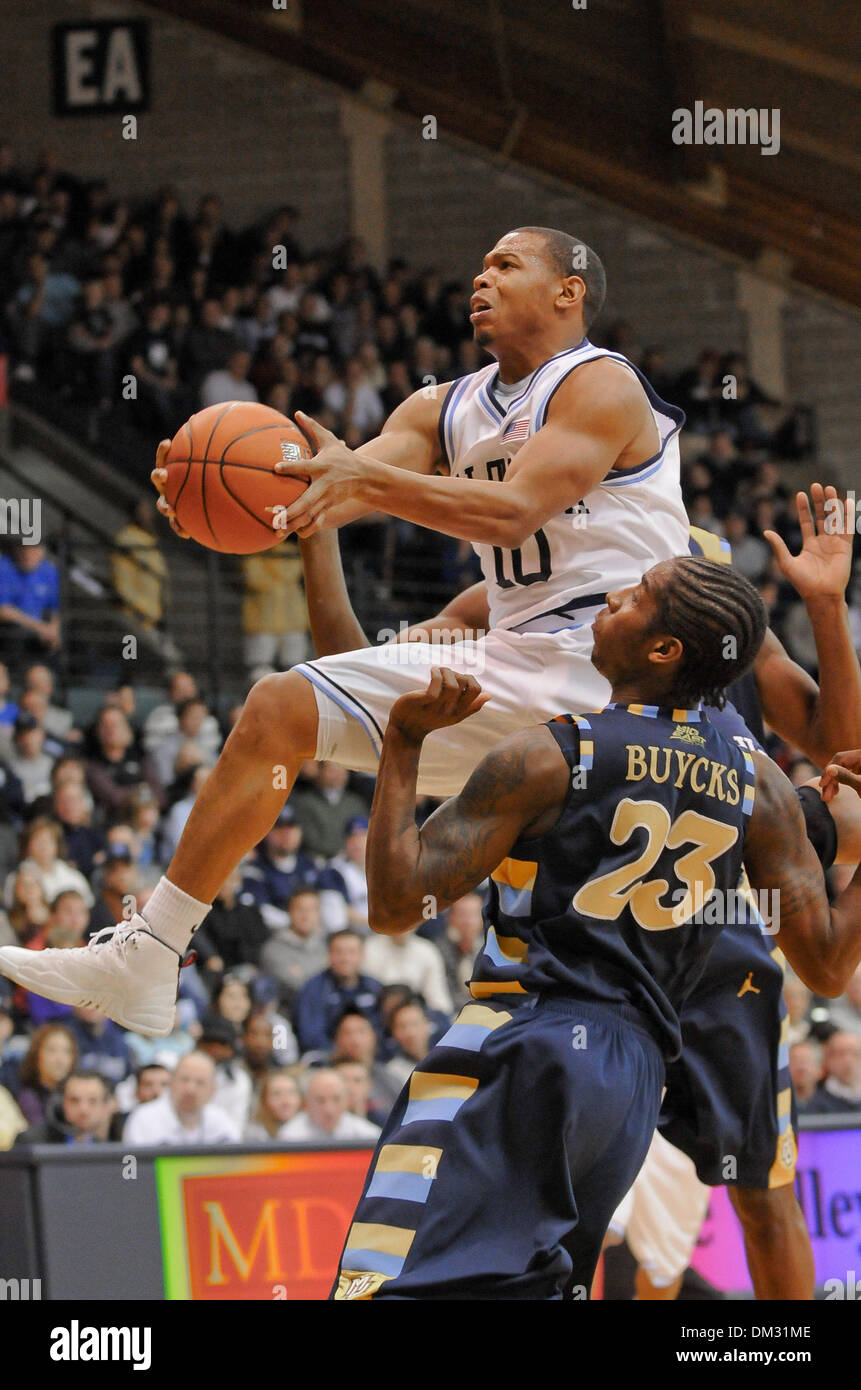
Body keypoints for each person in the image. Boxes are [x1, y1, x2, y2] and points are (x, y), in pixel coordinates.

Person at [333, 557, 861, 1299]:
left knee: (382, 1284)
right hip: (632, 1079)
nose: (611, 598)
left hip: (526, 1047)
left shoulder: (553, 752)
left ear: (663, 650)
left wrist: (403, 745)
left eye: (634, 598)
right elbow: (831, 965)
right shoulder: (756, 781)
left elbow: (394, 906)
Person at [123, 1051, 241, 1146]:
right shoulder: (144, 1118)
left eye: (200, 1082)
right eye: (184, 1080)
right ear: (171, 1082)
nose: (190, 1089)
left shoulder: (221, 1120)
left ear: (212, 1090)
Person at [293, 929, 382, 1055]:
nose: (345, 958)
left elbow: (382, 1032)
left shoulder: (375, 988)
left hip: (373, 1059)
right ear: (329, 955)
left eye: (351, 952)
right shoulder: (313, 989)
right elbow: (311, 1037)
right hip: (328, 1060)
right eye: (339, 952)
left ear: (362, 955)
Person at [279, 1068, 380, 1144]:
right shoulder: (289, 1137)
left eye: (336, 1099)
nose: (329, 1109)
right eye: (320, 1100)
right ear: (306, 1103)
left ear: (346, 1101)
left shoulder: (368, 1136)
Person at [17, 1070, 113, 1145]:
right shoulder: (30, 1141)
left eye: (92, 1101)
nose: (83, 1109)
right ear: (61, 1103)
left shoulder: (107, 1151)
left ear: (104, 1107)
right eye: (74, 1100)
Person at [243, 1070, 302, 1142]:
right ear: (264, 1100)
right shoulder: (253, 1133)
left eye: (291, 1093)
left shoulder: (311, 1126)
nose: (286, 1101)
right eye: (276, 1094)